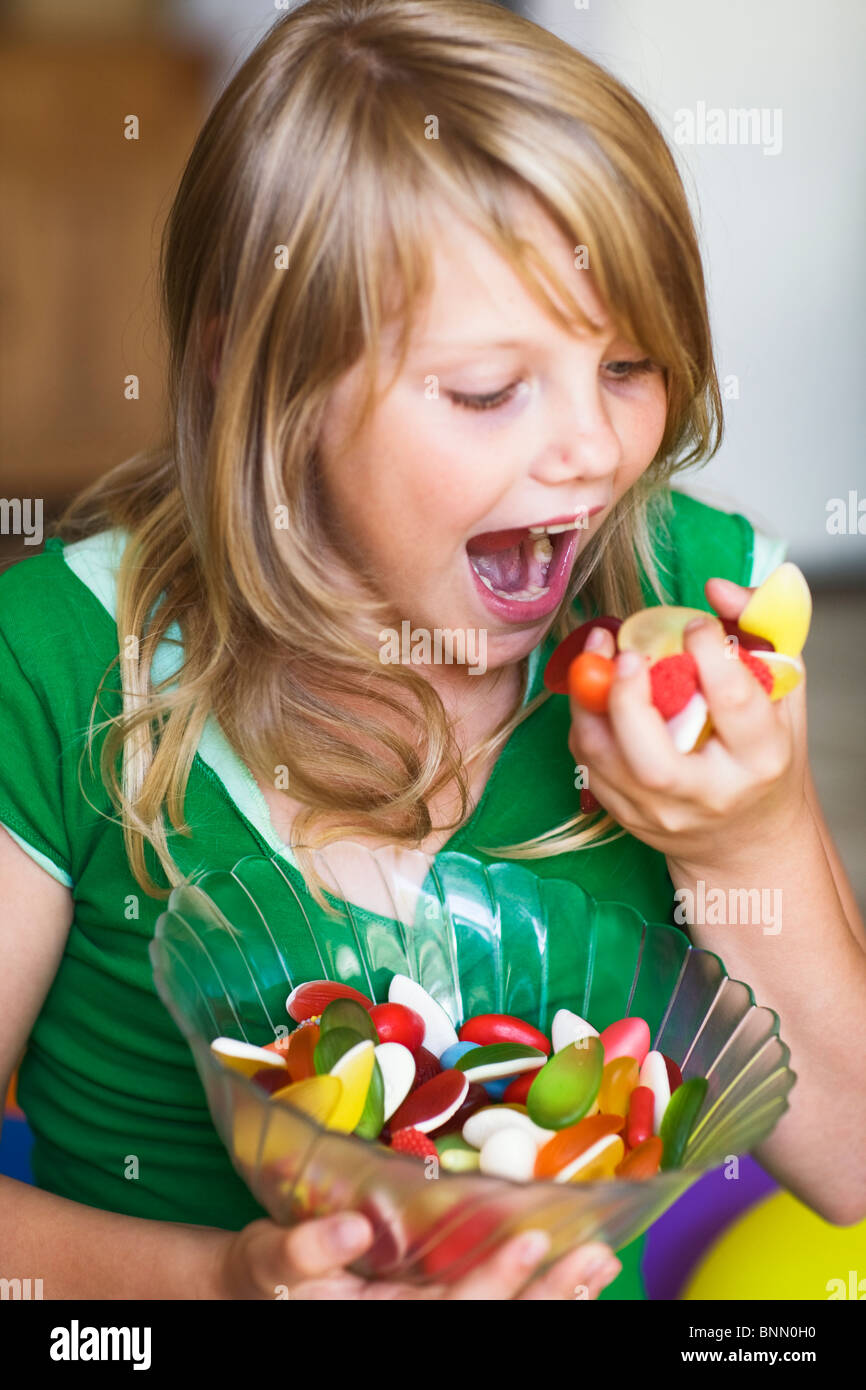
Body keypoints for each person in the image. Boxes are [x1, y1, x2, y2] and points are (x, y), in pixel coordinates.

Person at [1, 0, 863, 1301]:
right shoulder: (56, 661)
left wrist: (741, 839)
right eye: (486, 391)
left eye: (626, 365)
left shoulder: (698, 600)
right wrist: (225, 1282)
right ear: (264, 383)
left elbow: (850, 1169)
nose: (589, 448)